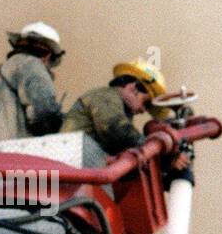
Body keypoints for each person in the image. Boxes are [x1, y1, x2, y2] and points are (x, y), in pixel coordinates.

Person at [62, 59, 190, 171]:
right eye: (146, 103)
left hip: (80, 166)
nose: (144, 110)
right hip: (68, 163)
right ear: (133, 87)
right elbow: (118, 131)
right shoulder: (106, 96)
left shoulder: (120, 109)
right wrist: (162, 155)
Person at [0, 21, 65, 143]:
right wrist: (61, 121)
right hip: (11, 156)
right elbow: (44, 114)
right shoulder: (31, 65)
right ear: (48, 55)